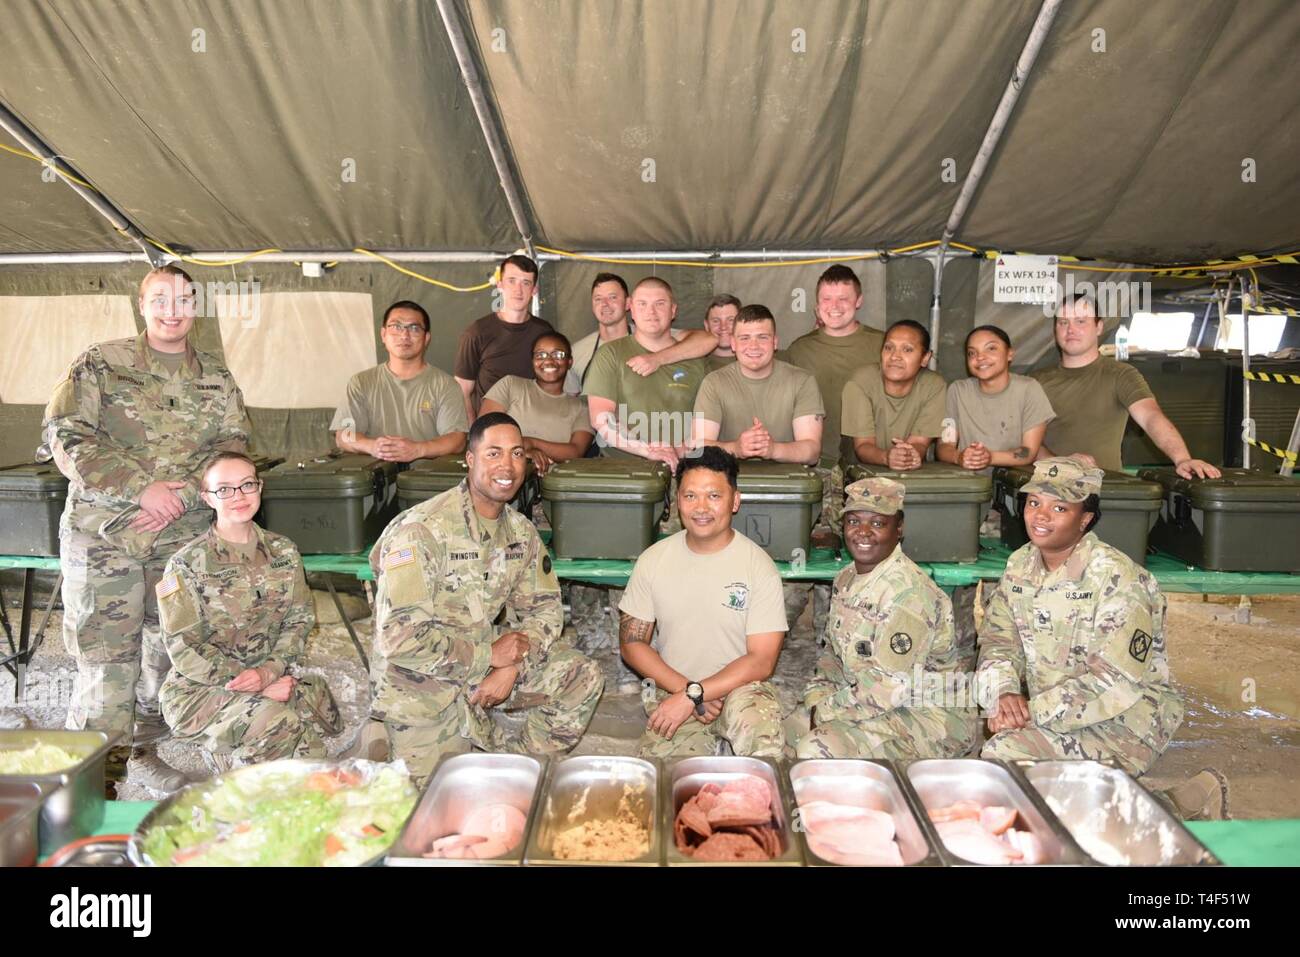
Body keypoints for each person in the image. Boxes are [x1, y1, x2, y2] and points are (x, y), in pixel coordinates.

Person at [43, 265, 250, 792]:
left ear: (195, 307)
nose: (172, 309)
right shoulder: (101, 363)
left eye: (183, 299)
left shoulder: (216, 377)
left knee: (168, 650)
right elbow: (67, 435)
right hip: (106, 533)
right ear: (142, 304)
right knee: (106, 658)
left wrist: (179, 494)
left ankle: (143, 749)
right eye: (160, 299)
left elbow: (232, 449)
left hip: (182, 537)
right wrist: (140, 489)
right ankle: (92, 781)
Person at [363, 413, 603, 784]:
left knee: (579, 676)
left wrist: (511, 667)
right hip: (421, 682)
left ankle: (520, 770)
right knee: (439, 800)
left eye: (516, 453)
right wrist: (488, 657)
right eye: (493, 453)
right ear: (470, 459)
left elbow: (545, 612)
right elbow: (398, 638)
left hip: (487, 665)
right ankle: (387, 736)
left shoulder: (520, 532)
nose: (506, 465)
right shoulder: (422, 531)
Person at [976, 457, 1185, 776]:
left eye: (1059, 508)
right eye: (1034, 502)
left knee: (1003, 757)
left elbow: (1114, 681)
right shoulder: (1021, 565)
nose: (1040, 516)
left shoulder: (1116, 579)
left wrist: (1029, 713)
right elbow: (998, 642)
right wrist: (1003, 693)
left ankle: (1174, 802)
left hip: (1124, 722)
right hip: (1060, 710)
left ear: (1085, 519)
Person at [156, 453, 341, 775]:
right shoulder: (185, 565)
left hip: (267, 673)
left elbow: (299, 620)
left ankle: (242, 750)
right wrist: (254, 685)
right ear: (207, 498)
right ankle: (229, 757)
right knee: (280, 726)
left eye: (246, 485)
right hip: (204, 689)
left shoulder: (283, 551)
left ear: (260, 487)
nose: (238, 496)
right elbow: (184, 647)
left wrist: (270, 670)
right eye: (224, 489)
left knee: (314, 761)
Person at [618, 447, 787, 758]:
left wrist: (698, 692)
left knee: (765, 758)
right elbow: (632, 643)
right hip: (676, 690)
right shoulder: (653, 560)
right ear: (678, 500)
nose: (701, 508)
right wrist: (688, 693)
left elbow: (762, 660)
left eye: (714, 496)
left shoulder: (758, 567)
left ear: (735, 500)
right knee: (660, 782)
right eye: (690, 496)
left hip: (740, 691)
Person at [794, 478, 976, 759]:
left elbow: (887, 687)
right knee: (784, 732)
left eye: (878, 523)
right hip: (866, 699)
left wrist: (827, 711)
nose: (862, 532)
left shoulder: (909, 594)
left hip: (926, 717)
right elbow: (831, 653)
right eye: (854, 521)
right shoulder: (847, 577)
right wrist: (818, 698)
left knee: (816, 748)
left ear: (899, 528)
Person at [781, 264, 886, 638]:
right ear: (816, 304)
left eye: (843, 298)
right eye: (827, 298)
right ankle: (810, 636)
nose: (835, 306)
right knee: (815, 552)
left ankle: (845, 636)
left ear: (859, 301)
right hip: (817, 469)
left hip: (869, 470)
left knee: (861, 555)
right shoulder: (799, 350)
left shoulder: (881, 345)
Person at [1031, 294, 1221, 478]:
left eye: (1080, 321)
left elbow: (1151, 417)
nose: (1070, 329)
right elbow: (1024, 442)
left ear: (1098, 327)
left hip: (1107, 492)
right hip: (1048, 491)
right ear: (1055, 330)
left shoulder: (1121, 375)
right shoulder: (1036, 382)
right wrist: (1059, 464)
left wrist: (1182, 459)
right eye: (1063, 322)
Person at [583, 276, 712, 468]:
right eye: (642, 304)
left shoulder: (696, 360)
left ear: (673, 310)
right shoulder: (609, 355)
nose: (651, 312)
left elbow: (708, 419)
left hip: (684, 469)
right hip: (624, 471)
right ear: (632, 309)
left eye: (660, 304)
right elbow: (601, 419)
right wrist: (648, 450)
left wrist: (686, 447)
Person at [332, 300, 468, 463]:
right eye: (396, 327)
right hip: (373, 482)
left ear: (426, 338)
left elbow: (457, 440)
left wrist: (417, 450)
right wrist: (373, 446)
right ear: (383, 335)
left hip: (424, 485)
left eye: (414, 328)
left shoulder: (445, 385)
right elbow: (344, 435)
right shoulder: (361, 382)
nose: (404, 336)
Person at [691, 304, 823, 465]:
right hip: (728, 482)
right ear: (734, 344)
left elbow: (812, 451)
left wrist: (773, 450)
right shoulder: (714, 383)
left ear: (775, 342)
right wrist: (736, 448)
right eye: (745, 338)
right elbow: (698, 446)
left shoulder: (802, 381)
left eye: (762, 337)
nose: (753, 346)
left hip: (788, 482)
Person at [564, 272, 716, 396]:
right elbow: (572, 403)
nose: (605, 304)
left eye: (613, 297)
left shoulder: (653, 333)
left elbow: (708, 340)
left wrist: (657, 358)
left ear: (628, 303)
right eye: (598, 299)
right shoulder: (577, 352)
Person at [937, 325, 1055, 472]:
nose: (980, 357)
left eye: (991, 348)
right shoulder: (958, 390)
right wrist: (959, 457)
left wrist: (989, 457)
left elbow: (1028, 452)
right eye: (972, 353)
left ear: (1009, 354)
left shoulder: (1028, 389)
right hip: (969, 486)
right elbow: (944, 446)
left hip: (1012, 485)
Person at [454, 254, 555, 421]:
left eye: (526, 283)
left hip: (535, 428)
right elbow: (462, 391)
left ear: (534, 290)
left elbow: (553, 384)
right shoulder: (477, 332)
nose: (518, 289)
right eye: (512, 281)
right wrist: (475, 434)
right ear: (500, 285)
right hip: (491, 429)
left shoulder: (545, 333)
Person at [480, 331, 594, 475]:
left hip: (554, 488)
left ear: (569, 362)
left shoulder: (582, 408)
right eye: (540, 355)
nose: (548, 361)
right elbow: (484, 432)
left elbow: (576, 451)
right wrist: (522, 452)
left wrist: (532, 443)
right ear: (533, 360)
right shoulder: (510, 385)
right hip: (500, 476)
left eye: (558, 355)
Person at [842, 320, 947, 471]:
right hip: (860, 473)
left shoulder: (934, 386)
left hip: (909, 475)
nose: (895, 356)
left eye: (907, 350)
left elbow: (920, 443)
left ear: (925, 358)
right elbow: (863, 446)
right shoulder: (861, 381)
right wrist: (886, 457)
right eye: (889, 348)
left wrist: (909, 456)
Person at [703, 294, 740, 371]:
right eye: (716, 321)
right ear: (706, 325)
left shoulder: (758, 360)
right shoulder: (697, 365)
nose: (723, 327)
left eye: (730, 320)